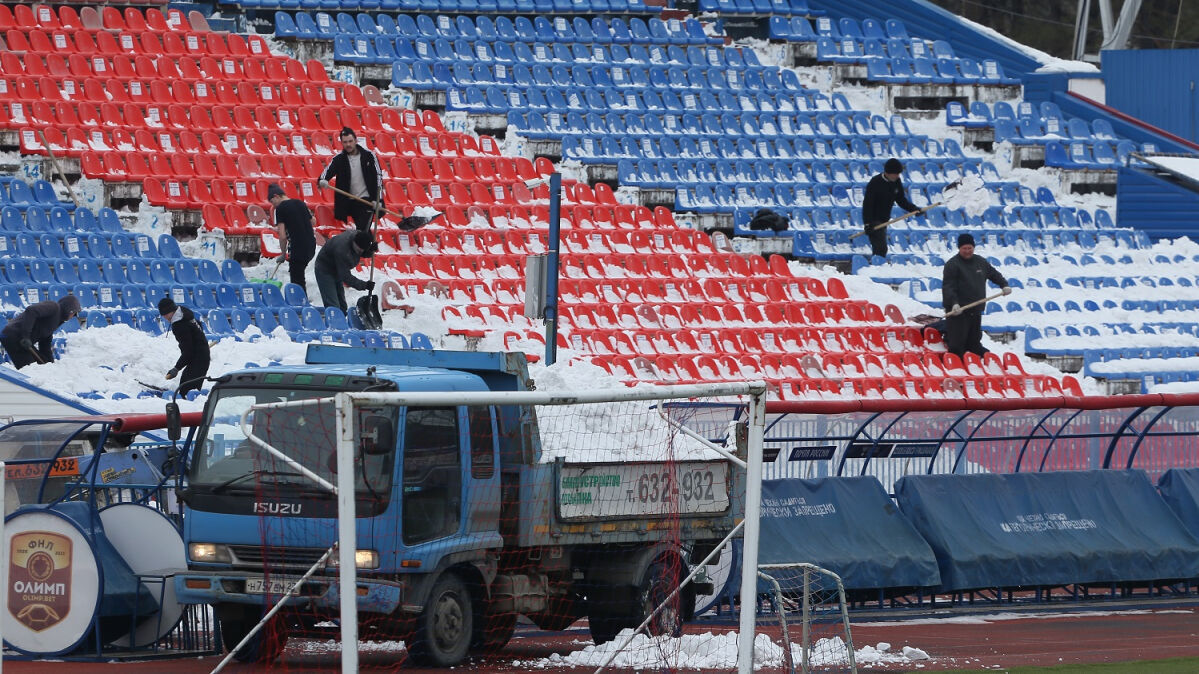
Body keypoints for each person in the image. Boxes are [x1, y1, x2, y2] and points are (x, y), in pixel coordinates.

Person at [942, 233, 1011, 358]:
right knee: (957, 343)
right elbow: (948, 286)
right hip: (959, 310)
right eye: (964, 248)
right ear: (959, 248)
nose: (967, 251)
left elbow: (994, 274)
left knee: (974, 341)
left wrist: (1004, 285)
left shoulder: (980, 262)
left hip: (976, 308)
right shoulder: (952, 264)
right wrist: (954, 303)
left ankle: (978, 362)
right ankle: (957, 366)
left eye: (970, 248)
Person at [318, 127, 384, 232]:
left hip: (366, 200)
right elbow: (326, 173)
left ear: (355, 140)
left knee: (362, 229)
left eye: (350, 141)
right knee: (362, 231)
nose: (348, 144)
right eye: (345, 142)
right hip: (349, 201)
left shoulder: (369, 156)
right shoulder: (339, 158)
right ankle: (369, 247)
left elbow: (378, 177)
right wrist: (323, 180)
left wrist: (378, 199)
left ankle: (367, 247)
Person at [861, 158, 922, 258]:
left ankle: (879, 265)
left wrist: (913, 209)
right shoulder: (875, 182)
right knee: (881, 248)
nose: (897, 176)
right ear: (887, 173)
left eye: (898, 174)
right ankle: (877, 267)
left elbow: (901, 199)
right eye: (895, 174)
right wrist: (867, 223)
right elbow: (868, 204)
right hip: (874, 220)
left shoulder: (896, 182)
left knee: (881, 248)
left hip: (884, 219)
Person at [0, 295, 81, 369]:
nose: (73, 316)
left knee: (43, 365)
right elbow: (31, 311)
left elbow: (45, 343)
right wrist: (26, 336)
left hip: (24, 342)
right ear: (68, 309)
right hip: (13, 336)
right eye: (73, 313)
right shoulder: (53, 307)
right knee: (32, 369)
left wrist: (50, 364)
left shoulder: (57, 321)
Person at [267, 183, 316, 295]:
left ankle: (301, 306)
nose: (273, 205)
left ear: (276, 196)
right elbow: (313, 221)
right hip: (311, 246)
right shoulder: (300, 203)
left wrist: (283, 254)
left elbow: (283, 236)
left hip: (298, 248)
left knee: (297, 281)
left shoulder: (280, 209)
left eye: (272, 201)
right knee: (300, 275)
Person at [314, 230, 377, 313]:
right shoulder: (342, 249)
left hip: (337, 269)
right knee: (334, 306)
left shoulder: (358, 238)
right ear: (355, 243)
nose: (361, 252)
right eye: (359, 250)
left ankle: (341, 323)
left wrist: (370, 251)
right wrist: (364, 285)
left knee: (342, 307)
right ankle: (334, 324)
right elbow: (346, 277)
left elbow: (360, 252)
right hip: (325, 270)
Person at [158, 297, 211, 397]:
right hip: (200, 354)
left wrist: (176, 368)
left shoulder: (180, 326)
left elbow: (188, 351)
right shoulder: (184, 313)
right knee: (185, 386)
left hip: (198, 358)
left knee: (187, 392)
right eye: (163, 315)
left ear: (171, 311)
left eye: (165, 314)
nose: (165, 317)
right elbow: (198, 327)